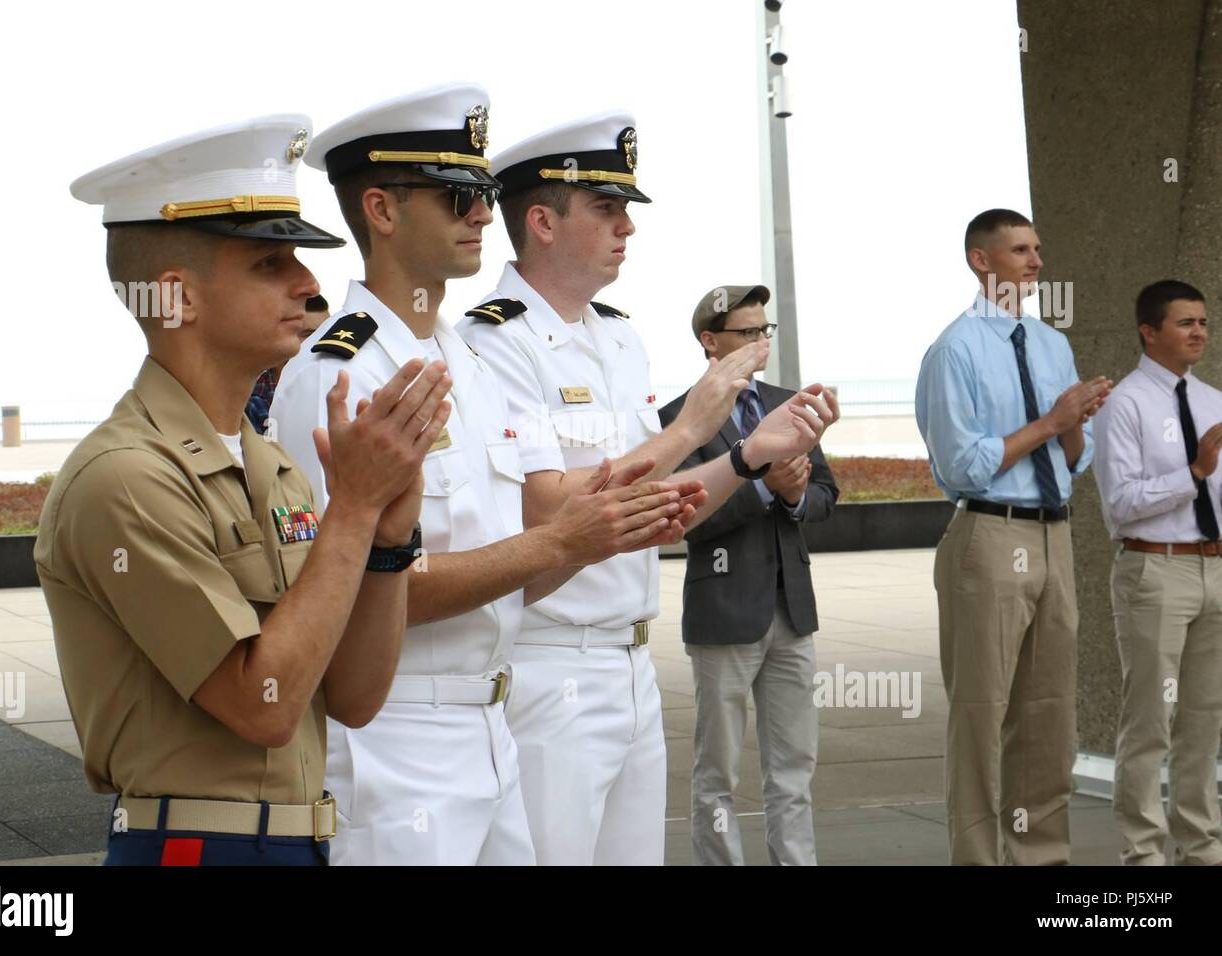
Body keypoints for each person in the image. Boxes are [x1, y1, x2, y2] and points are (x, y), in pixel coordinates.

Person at [270, 85, 698, 865]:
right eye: (460, 194)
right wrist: (558, 543)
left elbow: (506, 559)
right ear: (382, 210)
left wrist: (598, 534)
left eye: (485, 194)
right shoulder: (339, 374)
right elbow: (350, 589)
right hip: (396, 736)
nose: (481, 213)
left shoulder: (464, 360)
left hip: (491, 726)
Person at [40, 115, 451, 865]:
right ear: (176, 298)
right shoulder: (126, 478)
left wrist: (389, 540)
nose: (308, 283)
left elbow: (355, 698)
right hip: (197, 849)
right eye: (269, 264)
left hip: (295, 843)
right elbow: (261, 706)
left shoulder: (271, 467)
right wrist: (354, 508)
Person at [460, 113, 838, 865]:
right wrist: (691, 425)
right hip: (553, 664)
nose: (627, 227)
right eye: (606, 209)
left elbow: (653, 506)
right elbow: (546, 507)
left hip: (630, 659)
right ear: (541, 221)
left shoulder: (619, 338)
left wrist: (751, 457)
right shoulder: (492, 344)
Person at [914, 207, 1111, 865]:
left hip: (1055, 535)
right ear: (982, 260)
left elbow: (1074, 460)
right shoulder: (955, 349)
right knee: (981, 716)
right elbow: (961, 464)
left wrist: (1078, 420)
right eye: (1022, 250)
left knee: (1050, 716)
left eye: (1038, 248)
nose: (1036, 261)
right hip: (989, 535)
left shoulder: (1051, 344)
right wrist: (1054, 419)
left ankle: (1040, 859)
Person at [659, 284, 838, 866]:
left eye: (766, 331)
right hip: (724, 613)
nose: (761, 343)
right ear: (711, 342)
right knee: (718, 772)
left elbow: (826, 494)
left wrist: (793, 499)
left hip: (792, 611)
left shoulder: (792, 401)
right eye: (748, 333)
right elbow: (686, 518)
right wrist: (765, 486)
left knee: (794, 769)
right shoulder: (678, 418)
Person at [1092, 279, 1222, 866]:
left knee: (1204, 722)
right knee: (1150, 721)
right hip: (1154, 571)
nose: (1199, 332)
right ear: (1150, 331)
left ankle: (1202, 849)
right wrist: (1193, 471)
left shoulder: (1215, 402)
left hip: (1214, 571)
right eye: (1185, 323)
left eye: (1203, 322)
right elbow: (1121, 502)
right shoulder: (1125, 404)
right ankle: (1144, 858)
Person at [247, 294, 330, 435]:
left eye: (328, 332)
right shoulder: (256, 403)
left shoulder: (342, 387)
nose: (321, 341)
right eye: (310, 335)